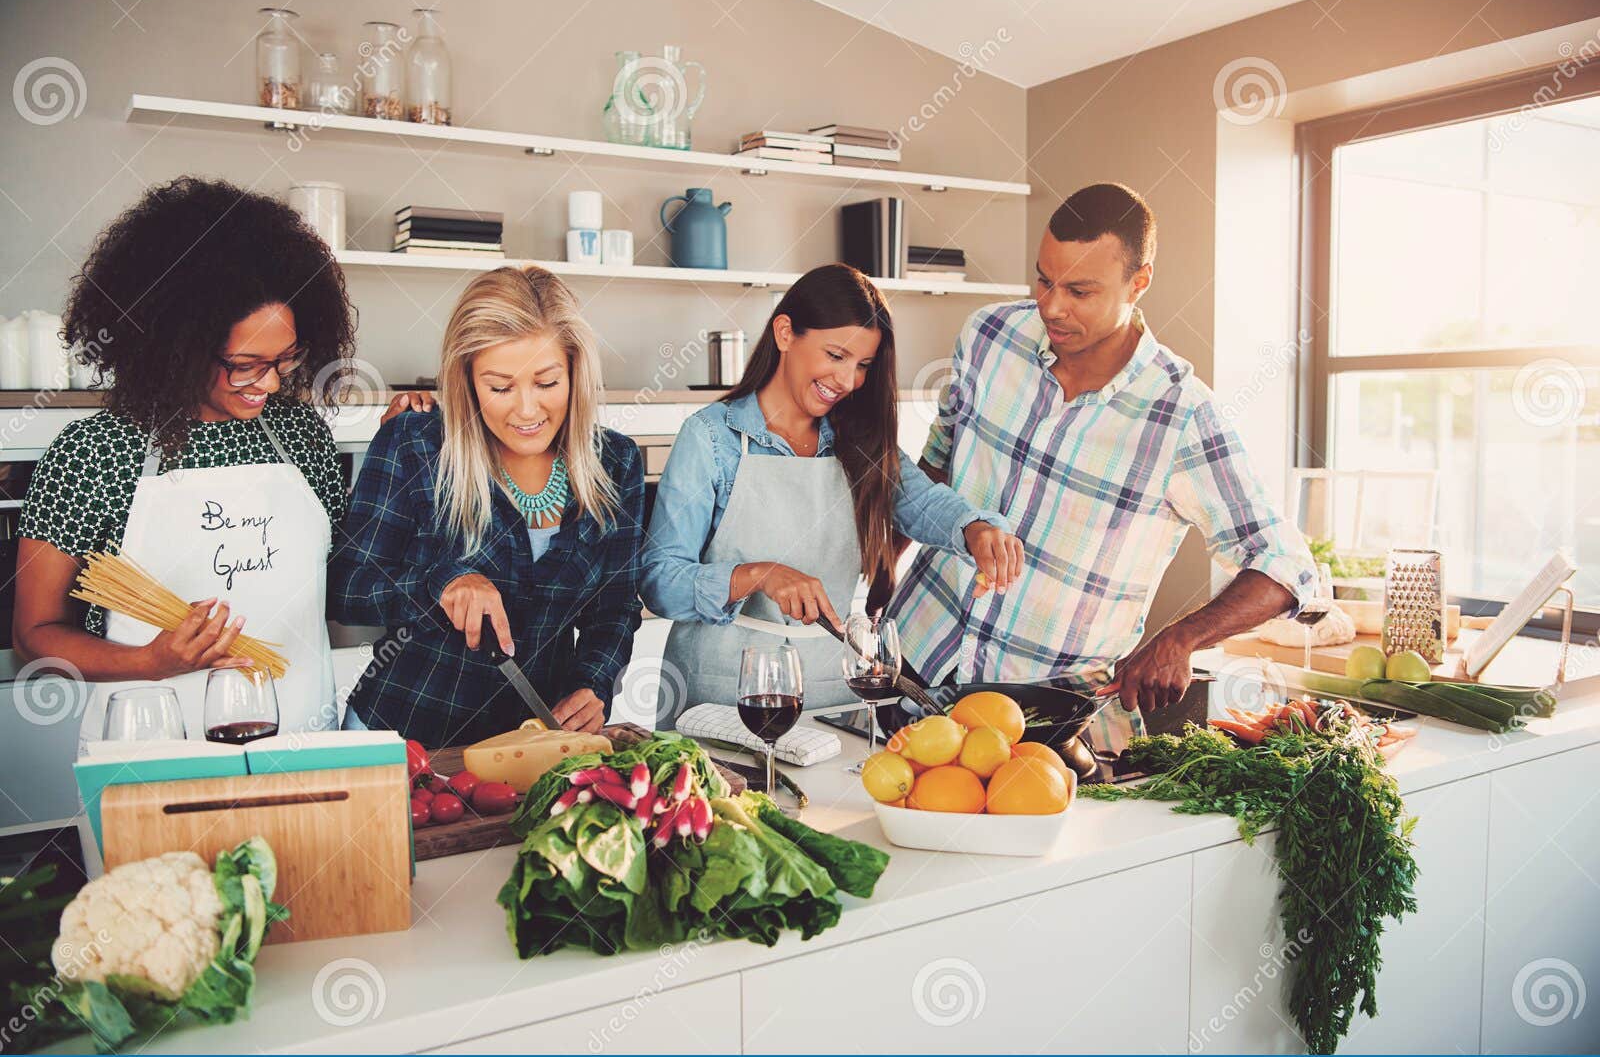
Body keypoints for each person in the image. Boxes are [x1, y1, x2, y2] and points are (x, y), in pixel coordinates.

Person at [887, 183, 1317, 712]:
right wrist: (878, 578)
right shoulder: (989, 335)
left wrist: (1181, 639)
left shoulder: (1181, 415)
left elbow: (1284, 564)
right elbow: (934, 467)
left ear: (1139, 283)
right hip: (911, 657)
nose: (1052, 307)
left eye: (1080, 292)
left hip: (1043, 712)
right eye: (1044, 280)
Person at [11, 176, 401, 747]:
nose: (268, 382)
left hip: (301, 738)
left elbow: (348, 583)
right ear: (178, 344)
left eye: (285, 360)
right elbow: (34, 634)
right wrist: (151, 660)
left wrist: (401, 452)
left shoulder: (301, 436)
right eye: (245, 364)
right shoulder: (93, 454)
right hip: (150, 752)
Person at [641, 263, 1023, 719]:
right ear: (785, 333)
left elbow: (926, 504)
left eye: (862, 365)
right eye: (836, 355)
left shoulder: (858, 442)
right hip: (721, 694)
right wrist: (759, 575)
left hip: (829, 695)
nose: (847, 381)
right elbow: (660, 582)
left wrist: (976, 529)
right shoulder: (710, 438)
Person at [329, 266, 645, 747]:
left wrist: (593, 682)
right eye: (500, 387)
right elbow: (346, 586)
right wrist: (444, 582)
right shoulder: (415, 445)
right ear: (467, 381)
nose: (526, 410)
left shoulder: (615, 462)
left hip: (533, 747)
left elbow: (614, 609)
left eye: (546, 382)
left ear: (576, 373)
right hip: (404, 741)